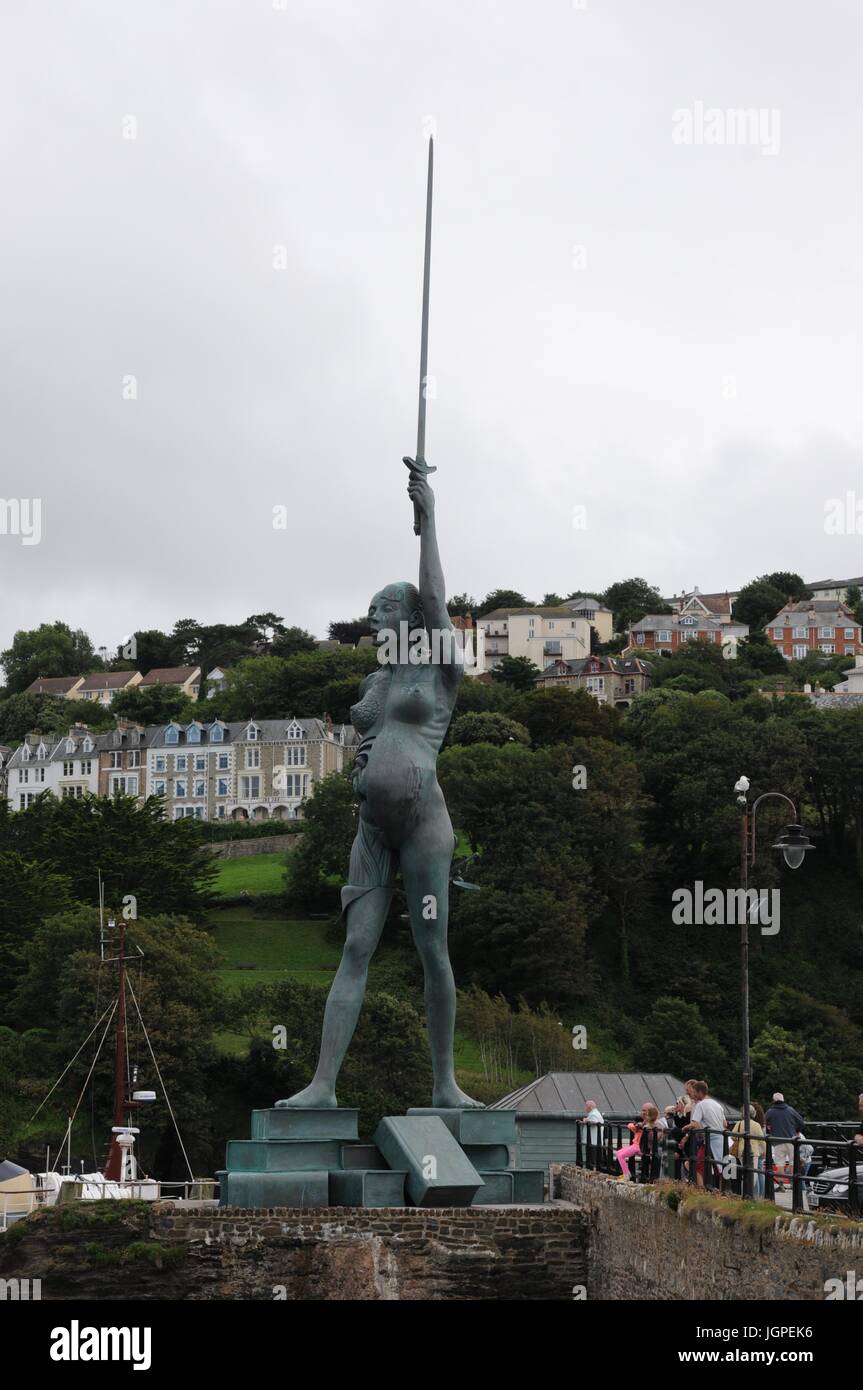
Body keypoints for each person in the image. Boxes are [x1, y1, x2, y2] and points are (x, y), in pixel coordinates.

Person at [279, 463, 481, 1110]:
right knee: (356, 946)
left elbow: (435, 595)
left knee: (431, 950)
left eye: (382, 608)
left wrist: (428, 520)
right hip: (371, 827)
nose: (371, 620)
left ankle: (445, 1084)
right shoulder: (373, 684)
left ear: (411, 615)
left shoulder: (440, 664)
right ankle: (321, 1086)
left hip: (424, 822)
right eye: (369, 612)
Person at [684, 1081, 726, 1188]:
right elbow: (724, 1124)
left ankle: (701, 1190)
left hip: (709, 1141)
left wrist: (685, 1128)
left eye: (694, 1092)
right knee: (721, 1170)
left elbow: (695, 1124)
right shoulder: (717, 1104)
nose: (692, 1095)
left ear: (700, 1092)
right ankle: (722, 1193)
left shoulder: (700, 1105)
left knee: (692, 1165)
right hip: (721, 1141)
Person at [765, 1092, 805, 1183]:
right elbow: (801, 1123)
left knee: (780, 1165)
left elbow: (766, 1123)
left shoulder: (770, 1112)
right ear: (783, 1100)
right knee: (793, 1163)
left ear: (774, 1100)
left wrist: (770, 1130)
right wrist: (797, 1131)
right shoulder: (790, 1110)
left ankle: (781, 1185)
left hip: (778, 1141)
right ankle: (793, 1185)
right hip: (791, 1140)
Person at [730, 1103, 766, 1197]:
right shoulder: (756, 1125)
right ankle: (751, 1195)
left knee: (744, 1173)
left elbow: (733, 1136)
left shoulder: (739, 1123)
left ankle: (744, 1194)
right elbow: (762, 1140)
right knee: (752, 1175)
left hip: (741, 1151)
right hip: (754, 1152)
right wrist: (765, 1151)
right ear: (753, 1113)